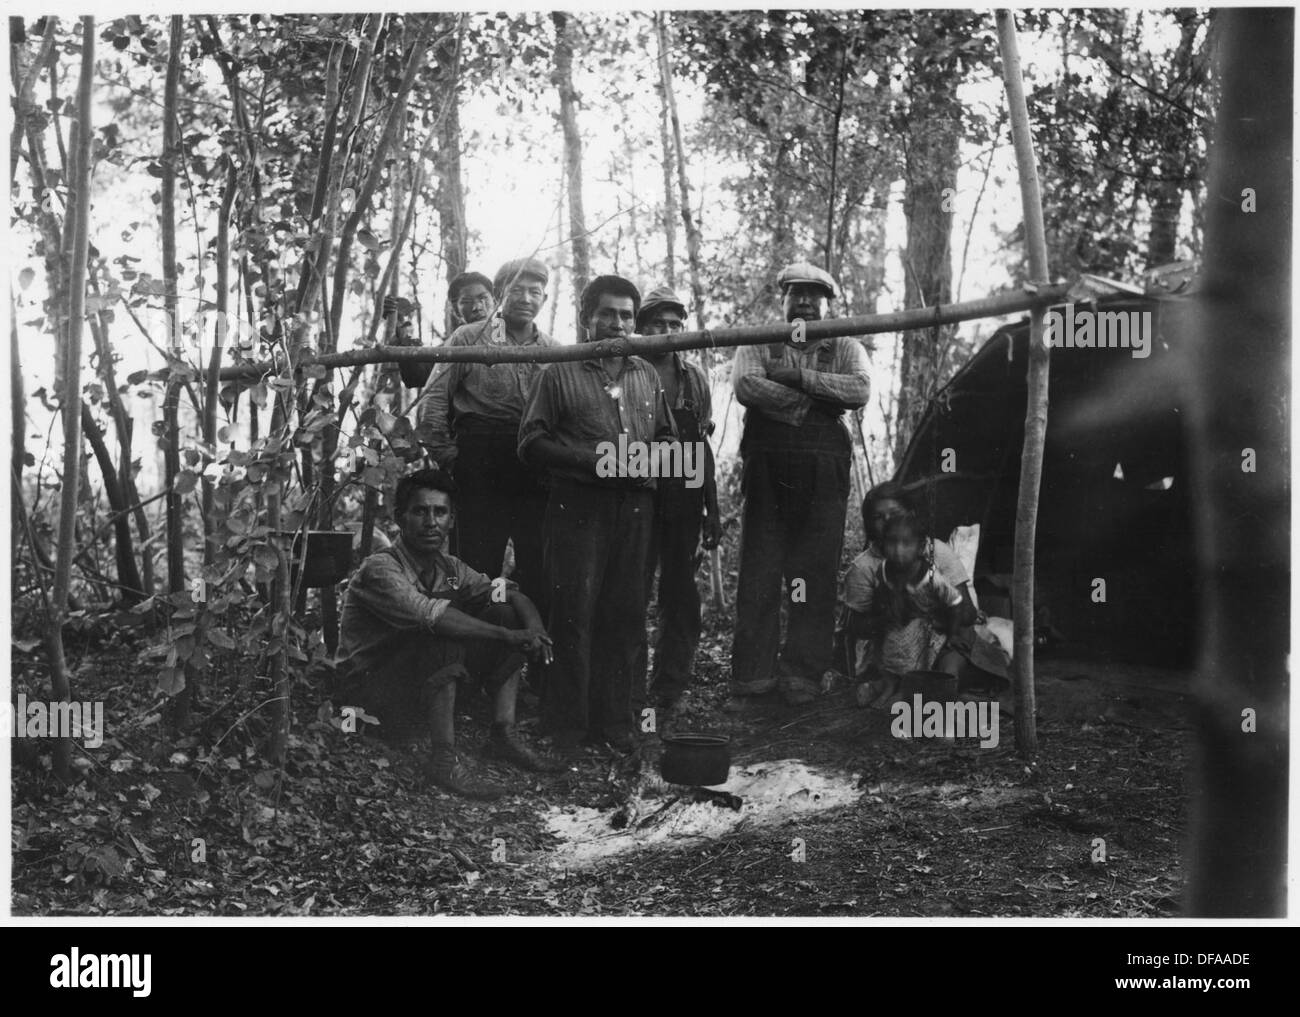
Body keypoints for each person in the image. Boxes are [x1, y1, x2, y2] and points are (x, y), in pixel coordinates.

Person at [518, 275, 674, 752]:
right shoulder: (557, 371)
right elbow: (530, 443)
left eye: (626, 315)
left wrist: (655, 460)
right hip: (577, 506)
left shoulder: (645, 373)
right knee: (573, 613)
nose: (618, 324)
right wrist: (590, 461)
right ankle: (567, 723)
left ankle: (617, 721)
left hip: (634, 508)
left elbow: (666, 436)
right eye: (607, 314)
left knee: (625, 613)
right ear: (586, 319)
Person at [337, 469, 560, 800]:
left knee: (505, 612)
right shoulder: (381, 568)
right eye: (420, 511)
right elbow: (432, 617)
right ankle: (444, 758)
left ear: (452, 520)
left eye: (439, 512)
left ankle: (503, 733)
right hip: (366, 698)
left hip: (415, 686)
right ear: (400, 518)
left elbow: (508, 592)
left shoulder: (450, 568)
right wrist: (507, 637)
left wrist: (534, 630)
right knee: (443, 631)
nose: (431, 522)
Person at [729, 262, 871, 706]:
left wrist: (800, 377)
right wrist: (810, 402)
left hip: (824, 472)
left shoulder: (846, 344)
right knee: (760, 570)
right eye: (797, 293)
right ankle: (753, 677)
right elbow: (747, 387)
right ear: (784, 299)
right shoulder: (758, 340)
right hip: (768, 470)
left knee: (814, 571)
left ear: (829, 302)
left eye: (815, 294)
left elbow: (860, 390)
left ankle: (802, 675)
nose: (805, 301)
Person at [417, 258, 555, 616]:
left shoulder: (554, 350)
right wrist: (451, 457)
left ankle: (529, 649)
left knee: (538, 561)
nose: (525, 298)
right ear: (500, 295)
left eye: (534, 291)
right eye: (516, 290)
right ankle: (477, 654)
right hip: (480, 461)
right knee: (477, 565)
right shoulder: (472, 337)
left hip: (536, 464)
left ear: (544, 297)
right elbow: (432, 401)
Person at [633, 286, 721, 711]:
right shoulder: (626, 371)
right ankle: (627, 686)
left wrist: (712, 510)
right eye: (658, 325)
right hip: (636, 493)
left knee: (680, 593)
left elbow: (702, 446)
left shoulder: (694, 378)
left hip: (684, 497)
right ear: (641, 328)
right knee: (631, 588)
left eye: (674, 325)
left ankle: (669, 686)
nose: (667, 333)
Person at [840, 510, 975, 707]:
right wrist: (888, 609)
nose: (898, 550)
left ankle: (904, 692)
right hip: (896, 627)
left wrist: (953, 634)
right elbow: (879, 600)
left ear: (920, 547)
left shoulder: (930, 576)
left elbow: (955, 603)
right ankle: (887, 686)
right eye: (892, 542)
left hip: (927, 629)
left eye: (906, 544)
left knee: (914, 660)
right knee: (889, 655)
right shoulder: (883, 570)